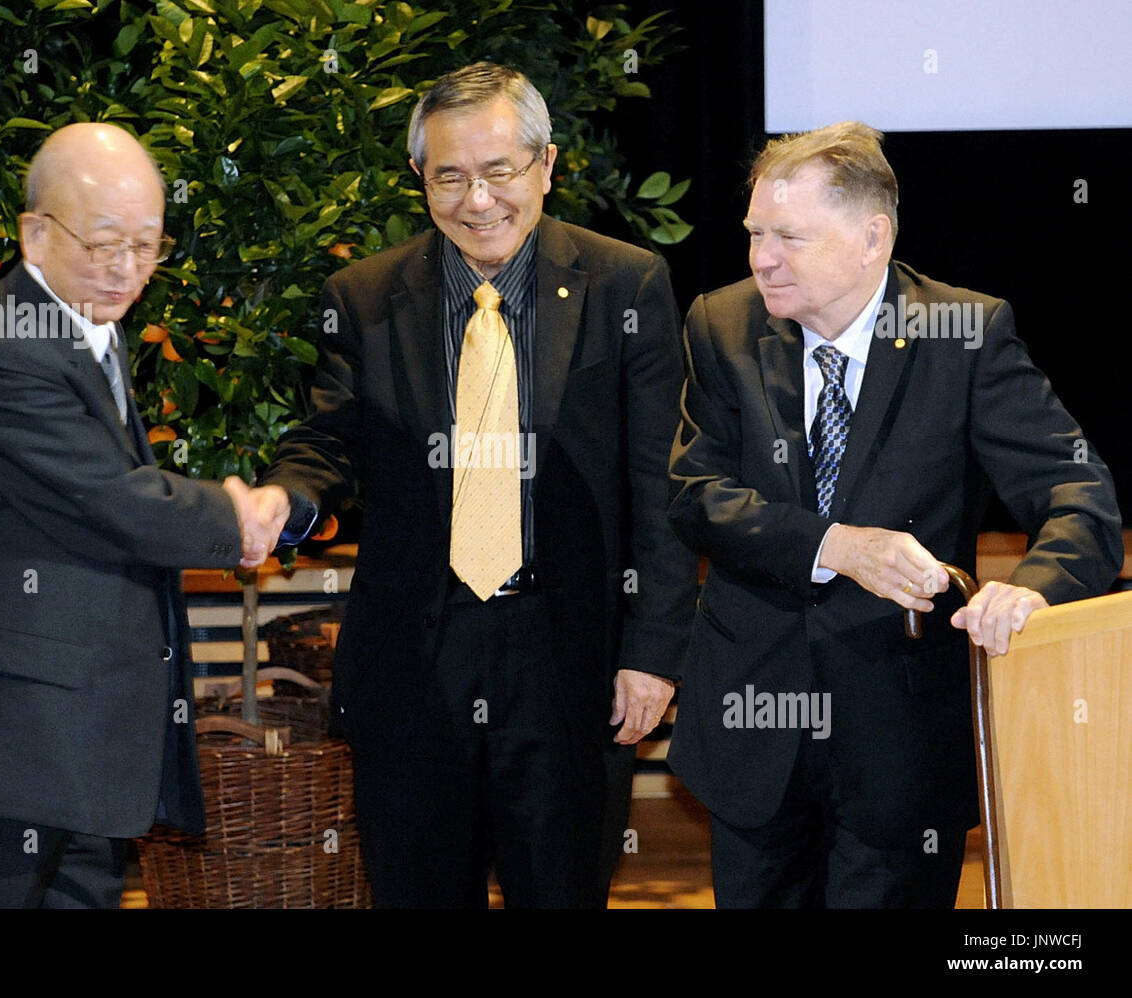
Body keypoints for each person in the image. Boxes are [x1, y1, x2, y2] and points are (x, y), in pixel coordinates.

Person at [243, 62, 697, 907]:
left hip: (568, 660)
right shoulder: (366, 296)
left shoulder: (625, 284)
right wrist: (286, 501)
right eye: (449, 176)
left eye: (499, 171)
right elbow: (327, 443)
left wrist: (652, 653)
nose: (477, 200)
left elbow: (660, 484)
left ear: (547, 165)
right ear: (420, 177)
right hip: (416, 659)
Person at [667, 121, 1123, 908]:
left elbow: (1079, 493)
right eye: (754, 234)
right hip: (751, 727)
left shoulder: (965, 336)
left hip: (902, 740)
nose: (761, 258)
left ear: (872, 237)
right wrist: (836, 545)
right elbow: (695, 492)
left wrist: (1034, 590)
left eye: (788, 237)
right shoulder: (721, 324)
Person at [0, 122, 274, 908]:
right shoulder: (10, 348)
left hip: (76, 750)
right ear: (35, 231)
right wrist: (235, 516)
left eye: (147, 245)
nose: (127, 269)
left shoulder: (88, 327)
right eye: (104, 243)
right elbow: (115, 501)